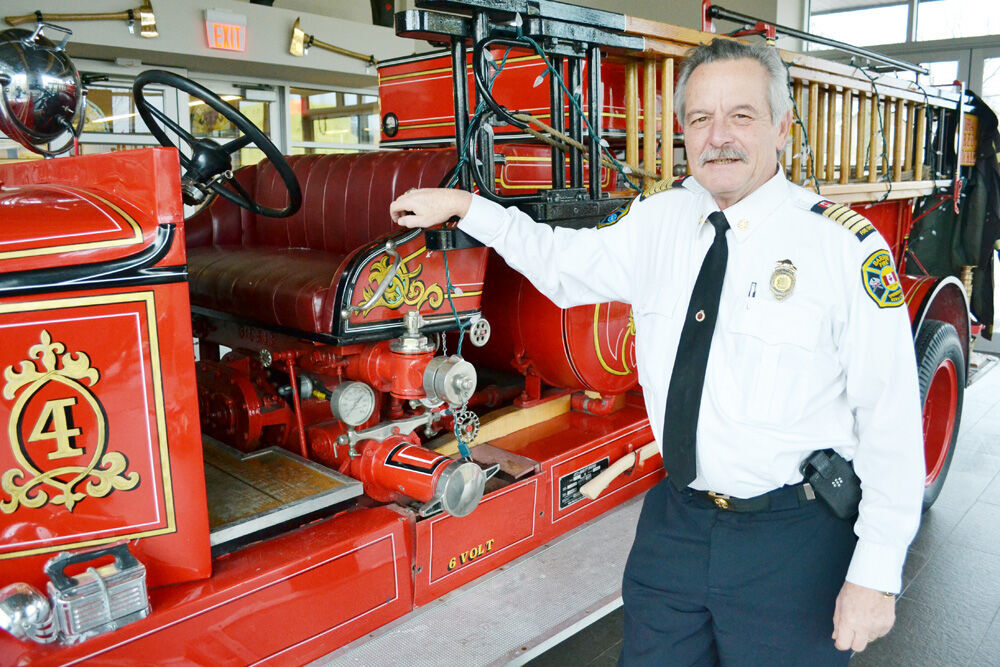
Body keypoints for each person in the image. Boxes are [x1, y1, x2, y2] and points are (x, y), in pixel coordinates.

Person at [390, 38, 924, 665]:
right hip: (677, 526)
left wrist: (877, 570)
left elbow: (889, 420)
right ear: (683, 131)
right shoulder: (659, 221)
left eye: (742, 116)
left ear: (782, 127)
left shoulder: (843, 249)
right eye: (700, 119)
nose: (718, 136)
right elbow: (561, 265)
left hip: (793, 540)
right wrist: (468, 208)